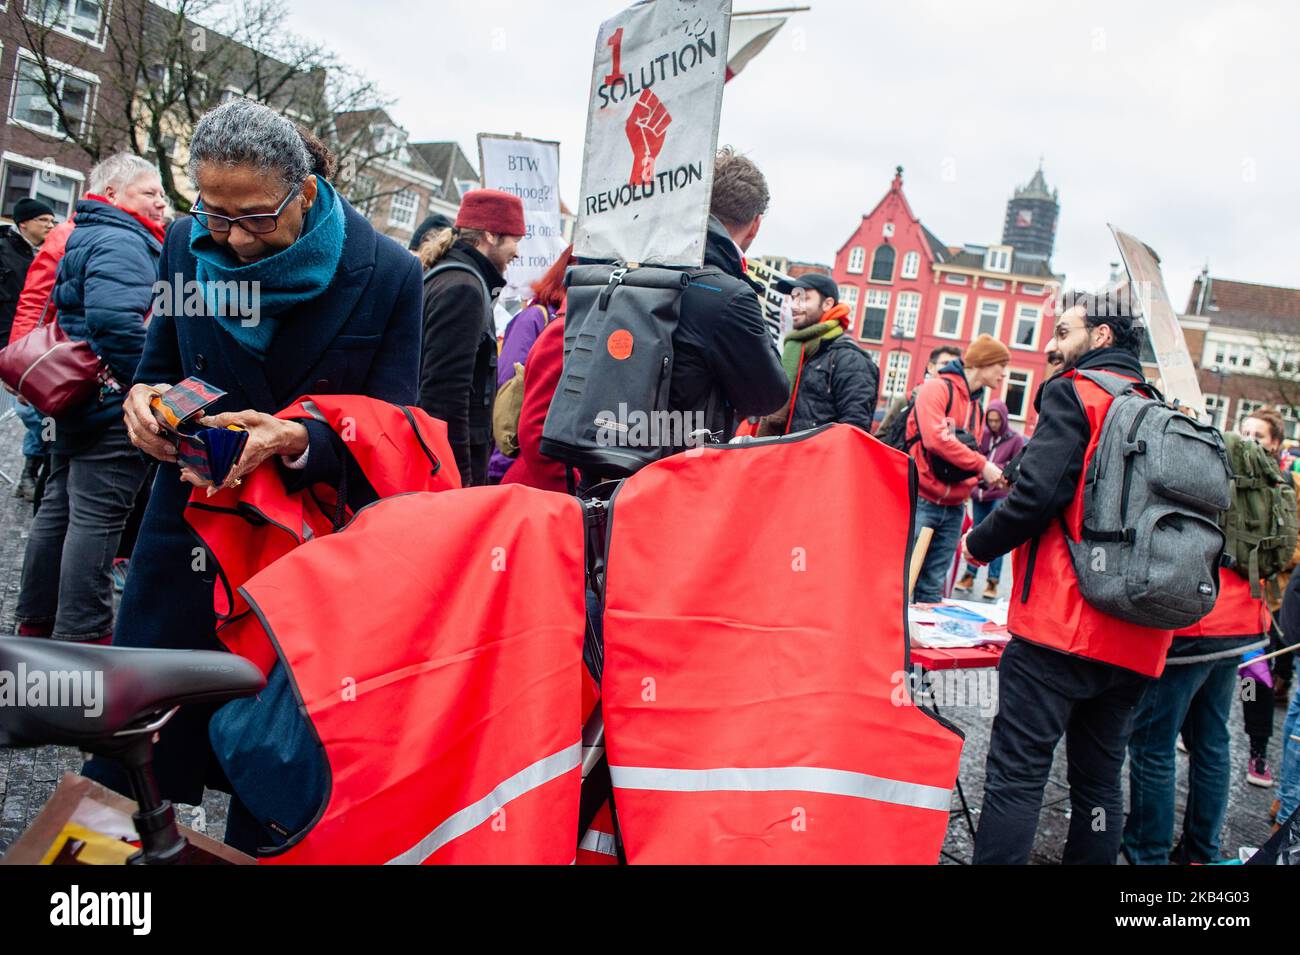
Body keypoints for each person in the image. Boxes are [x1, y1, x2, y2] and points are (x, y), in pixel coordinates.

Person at [79, 99, 423, 853]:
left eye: (255, 220)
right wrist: (142, 405)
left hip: (297, 566)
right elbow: (161, 367)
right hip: (182, 546)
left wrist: (299, 438)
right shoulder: (180, 244)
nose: (230, 238)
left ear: (302, 192)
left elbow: (396, 425)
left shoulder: (391, 274)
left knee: (268, 778)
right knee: (131, 765)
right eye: (214, 212)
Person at [962, 289, 1170, 864]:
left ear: (1100, 337)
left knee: (1017, 777)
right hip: (1138, 632)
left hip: (1063, 625)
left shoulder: (1075, 394)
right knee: (1100, 786)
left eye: (1063, 332)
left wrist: (979, 545)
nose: (1051, 346)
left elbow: (1037, 496)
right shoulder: (1162, 408)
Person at [12, 155, 165, 644]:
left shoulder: (91, 231)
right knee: (96, 522)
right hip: (110, 404)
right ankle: (85, 637)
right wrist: (147, 386)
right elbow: (117, 323)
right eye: (149, 192)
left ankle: (35, 622)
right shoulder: (123, 239)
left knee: (57, 512)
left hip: (76, 400)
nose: (161, 201)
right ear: (116, 194)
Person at [1122, 456, 1271, 864]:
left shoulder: (1192, 465)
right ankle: (1201, 851)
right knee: (1211, 741)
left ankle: (1146, 852)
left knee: (1154, 744)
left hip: (1196, 625)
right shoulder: (1252, 474)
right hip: (1241, 620)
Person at [670, 147, 787, 440]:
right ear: (755, 225)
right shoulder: (731, 297)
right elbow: (768, 397)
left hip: (609, 457)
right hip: (677, 467)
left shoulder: (647, 265)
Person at [418, 189, 526, 486]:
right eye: (515, 239)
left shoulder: (451, 276)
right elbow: (444, 400)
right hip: (449, 474)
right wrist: (459, 484)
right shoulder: (463, 288)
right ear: (491, 235)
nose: (517, 251)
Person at [906, 334, 1008, 604]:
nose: (1003, 374)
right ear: (985, 363)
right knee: (902, 581)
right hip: (923, 501)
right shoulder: (936, 389)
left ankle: (920, 643)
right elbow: (935, 439)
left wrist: (987, 478)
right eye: (1001, 366)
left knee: (932, 589)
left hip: (954, 508)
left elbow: (965, 455)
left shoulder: (977, 406)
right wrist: (982, 466)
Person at [1236, 408, 1297, 786]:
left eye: (1258, 435)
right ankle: (1195, 737)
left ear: (1274, 444)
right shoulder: (1227, 477)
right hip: (1227, 600)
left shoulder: (1285, 488)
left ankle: (1258, 752)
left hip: (1270, 601)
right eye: (1244, 432)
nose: (1249, 441)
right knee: (1219, 677)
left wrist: (1265, 554)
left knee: (1255, 677)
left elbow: (1294, 544)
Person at [487, 245, 574, 483]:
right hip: (512, 464)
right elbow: (509, 389)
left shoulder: (565, 321)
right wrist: (501, 466)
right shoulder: (536, 317)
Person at [755, 272, 878, 436]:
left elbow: (854, 431)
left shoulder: (850, 359)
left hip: (815, 459)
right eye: (793, 298)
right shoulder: (797, 350)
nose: (794, 305)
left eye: (804, 299)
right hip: (782, 456)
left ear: (827, 304)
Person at [1, 197, 58, 501]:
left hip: (36, 348)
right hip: (10, 346)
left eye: (51, 221)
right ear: (24, 223)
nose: (50, 225)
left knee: (37, 411)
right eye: (43, 221)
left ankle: (31, 473)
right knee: (31, 412)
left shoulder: (48, 253)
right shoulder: (4, 252)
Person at [954, 399, 1024, 599]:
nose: (993, 424)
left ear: (1003, 420)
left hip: (999, 494)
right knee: (974, 533)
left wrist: (994, 466)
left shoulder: (1015, 439)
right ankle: (969, 575)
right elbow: (974, 457)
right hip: (979, 493)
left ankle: (993, 582)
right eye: (990, 420)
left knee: (997, 536)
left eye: (996, 421)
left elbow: (1014, 465)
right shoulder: (982, 435)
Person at [877, 344, 962, 437]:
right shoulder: (907, 400)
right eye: (946, 363)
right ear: (930, 367)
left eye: (956, 365)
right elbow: (881, 436)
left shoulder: (960, 406)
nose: (951, 368)